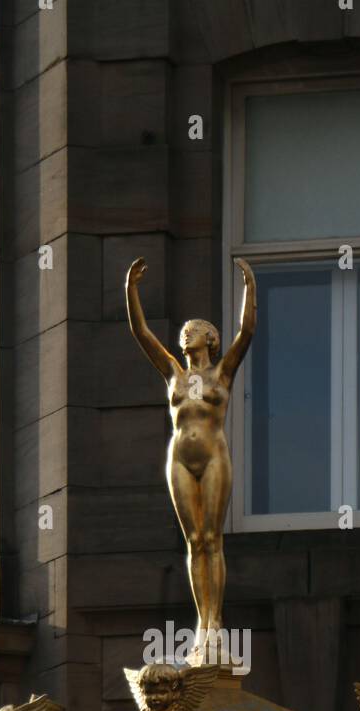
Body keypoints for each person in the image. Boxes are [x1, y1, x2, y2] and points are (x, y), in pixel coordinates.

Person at [125, 255, 256, 664]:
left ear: (210, 339)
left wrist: (250, 287)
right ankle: (203, 623)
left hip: (214, 456)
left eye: (193, 330)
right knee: (193, 541)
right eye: (183, 332)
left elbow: (246, 332)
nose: (185, 335)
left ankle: (214, 623)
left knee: (213, 539)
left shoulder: (222, 375)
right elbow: (142, 333)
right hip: (179, 457)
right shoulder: (173, 375)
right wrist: (131, 291)